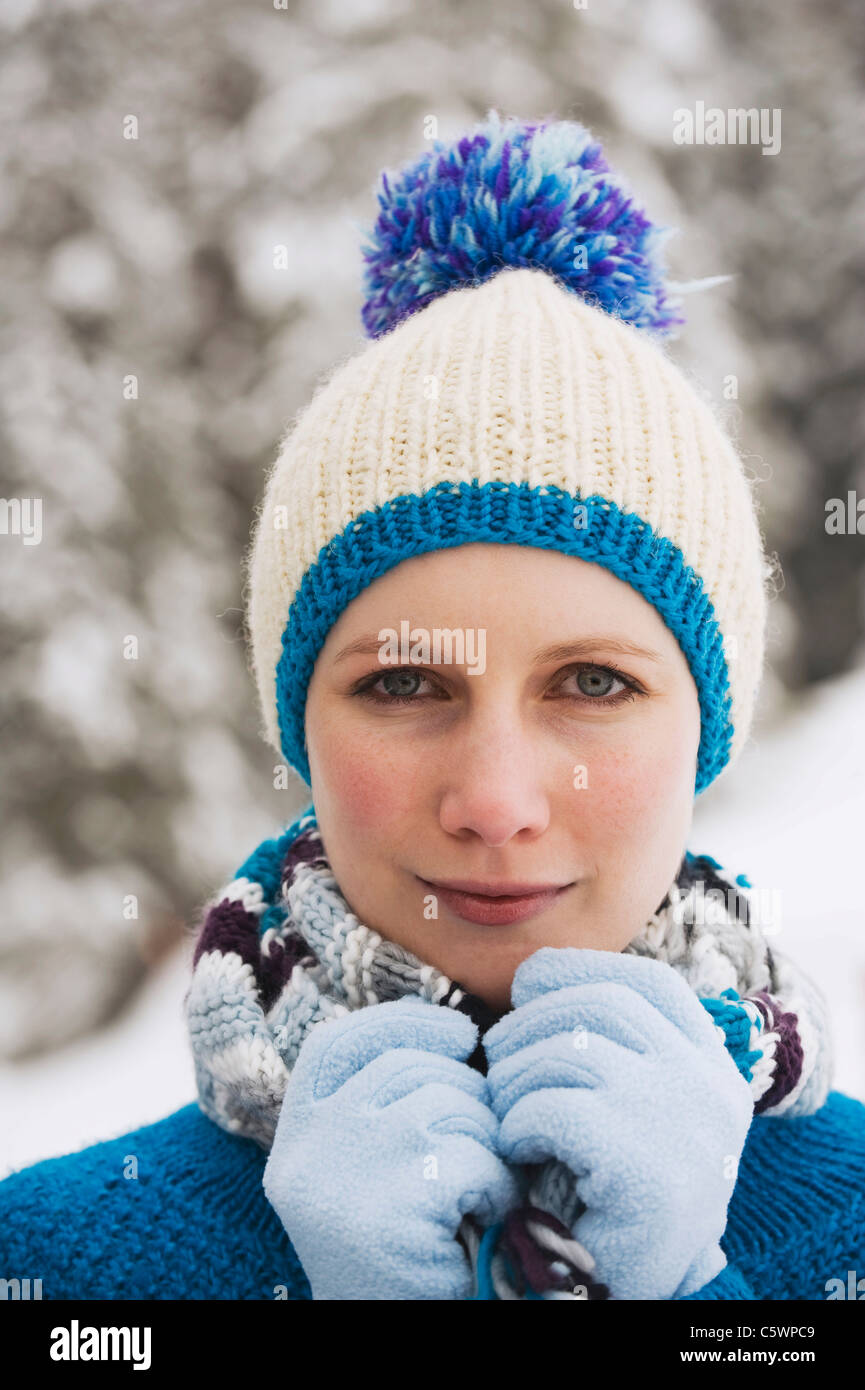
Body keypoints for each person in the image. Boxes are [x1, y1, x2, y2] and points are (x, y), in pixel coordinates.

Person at [2, 111, 863, 1302]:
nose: (496, 800)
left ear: (705, 732)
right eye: (403, 684)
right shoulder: (50, 1263)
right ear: (295, 723)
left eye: (593, 683)